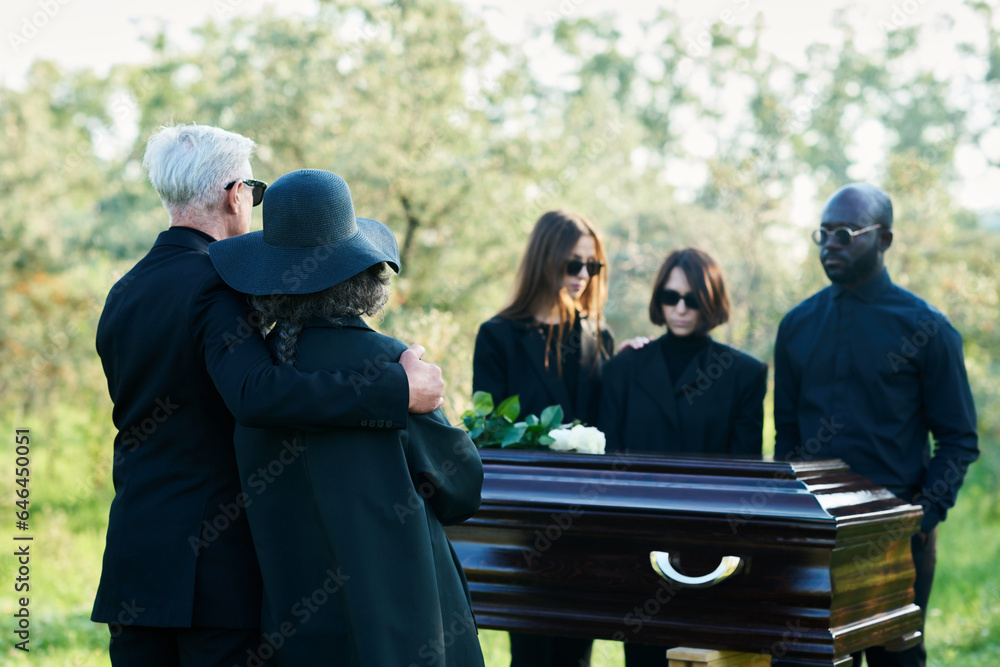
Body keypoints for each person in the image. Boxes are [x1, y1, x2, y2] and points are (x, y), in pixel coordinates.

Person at [92, 125, 445, 666]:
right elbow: (257, 392)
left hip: (134, 563)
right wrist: (396, 388)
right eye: (254, 192)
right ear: (236, 193)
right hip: (210, 576)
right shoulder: (214, 281)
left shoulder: (124, 290)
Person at [209, 168, 486, 666]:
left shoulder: (262, 378)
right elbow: (460, 488)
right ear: (366, 275)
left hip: (299, 633)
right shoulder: (397, 369)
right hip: (408, 629)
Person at [773, 183, 979, 667]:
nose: (830, 245)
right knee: (805, 659)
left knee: (895, 663)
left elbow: (958, 439)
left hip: (897, 537)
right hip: (815, 536)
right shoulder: (796, 325)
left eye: (844, 233)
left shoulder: (927, 328)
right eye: (823, 233)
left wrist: (922, 518)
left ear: (884, 239)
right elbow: (787, 435)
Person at [597, 248, 767, 666]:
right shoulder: (623, 369)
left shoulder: (743, 373)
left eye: (692, 299)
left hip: (711, 548)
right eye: (671, 297)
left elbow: (745, 472)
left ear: (711, 302)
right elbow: (608, 465)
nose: (680, 308)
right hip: (637, 546)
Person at [473, 209, 614, 667]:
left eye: (592, 266)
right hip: (526, 518)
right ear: (544, 259)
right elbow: (490, 433)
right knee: (531, 653)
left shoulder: (598, 337)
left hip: (589, 520)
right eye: (573, 263)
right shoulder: (498, 337)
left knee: (577, 654)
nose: (583, 275)